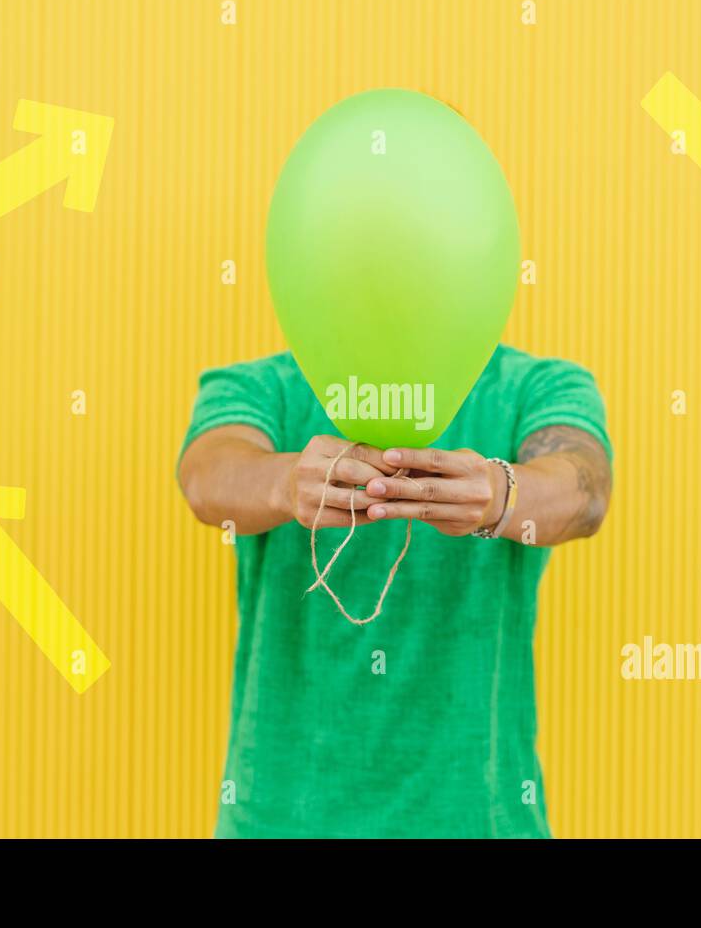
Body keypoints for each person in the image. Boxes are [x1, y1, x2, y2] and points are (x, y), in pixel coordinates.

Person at [177, 343, 612, 837]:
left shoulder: (534, 384)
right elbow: (207, 478)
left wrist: (500, 492)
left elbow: (586, 491)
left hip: (477, 818)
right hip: (282, 818)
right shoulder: (260, 384)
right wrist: (286, 481)